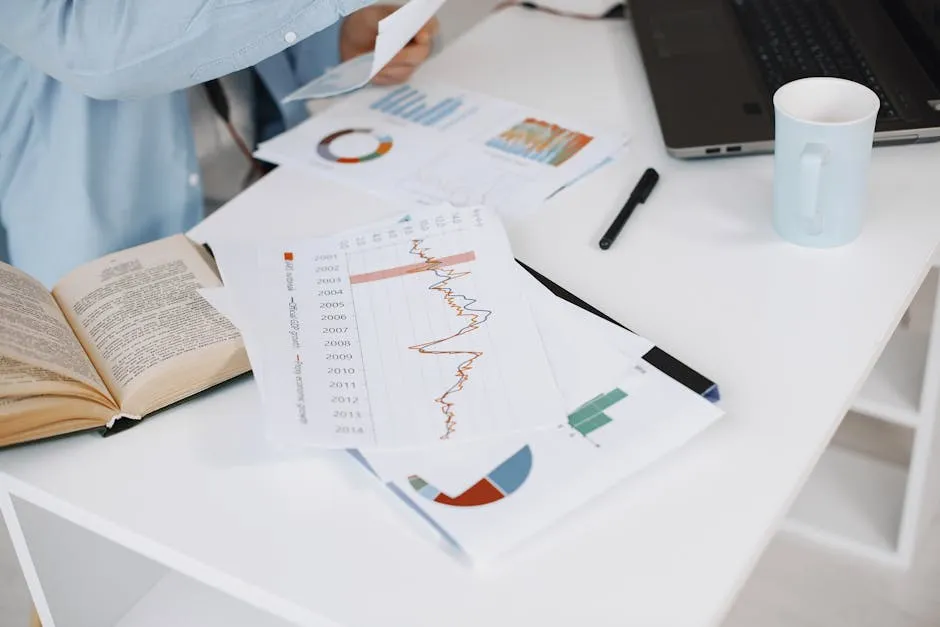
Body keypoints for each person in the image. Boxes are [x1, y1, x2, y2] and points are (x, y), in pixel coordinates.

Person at [0, 1, 439, 287]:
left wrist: (339, 43)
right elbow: (106, 54)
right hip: (119, 269)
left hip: (263, 203)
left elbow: (240, 34)